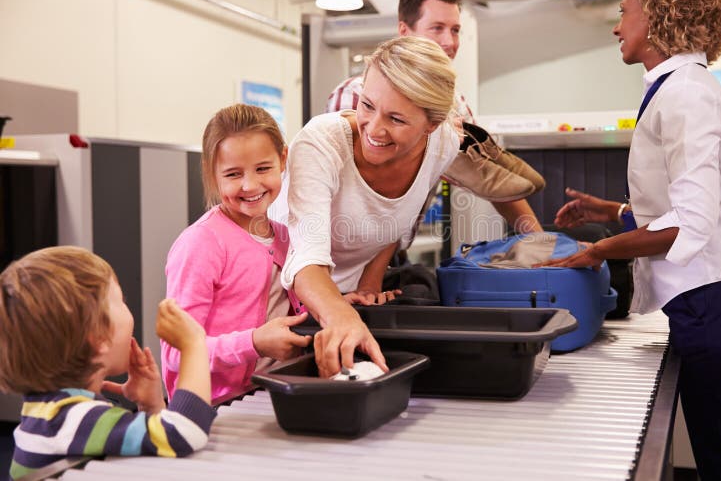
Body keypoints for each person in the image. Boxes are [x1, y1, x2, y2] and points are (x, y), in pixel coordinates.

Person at [544, 0, 721, 481]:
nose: (616, 26)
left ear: (660, 15)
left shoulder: (685, 92)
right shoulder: (680, 88)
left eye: (624, 12)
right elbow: (699, 204)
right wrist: (615, 212)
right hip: (713, 294)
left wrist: (599, 249)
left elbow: (688, 225)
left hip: (712, 296)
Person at [277, 36, 459, 377]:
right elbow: (306, 262)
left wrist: (369, 285)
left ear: (431, 125)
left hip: (344, 307)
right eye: (367, 105)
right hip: (281, 305)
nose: (374, 129)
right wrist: (343, 317)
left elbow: (394, 216)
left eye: (397, 119)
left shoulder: (444, 144)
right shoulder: (321, 144)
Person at [327, 0, 544, 233]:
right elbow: (354, 179)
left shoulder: (455, 103)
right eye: (437, 28)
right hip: (343, 239)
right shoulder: (356, 92)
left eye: (455, 30)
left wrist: (539, 239)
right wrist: (438, 145)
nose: (449, 42)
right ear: (405, 32)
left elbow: (494, 183)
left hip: (393, 243)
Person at [0, 246, 216, 480]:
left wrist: (152, 406)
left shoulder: (52, 411)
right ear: (99, 336)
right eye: (121, 300)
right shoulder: (71, 419)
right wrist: (194, 345)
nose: (127, 304)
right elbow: (184, 433)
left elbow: (154, 448)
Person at [163, 104, 312, 403]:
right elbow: (177, 352)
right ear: (211, 172)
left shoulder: (285, 236)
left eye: (262, 168)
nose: (250, 185)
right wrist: (255, 343)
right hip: (215, 408)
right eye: (233, 174)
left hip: (273, 395)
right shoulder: (201, 244)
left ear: (282, 160)